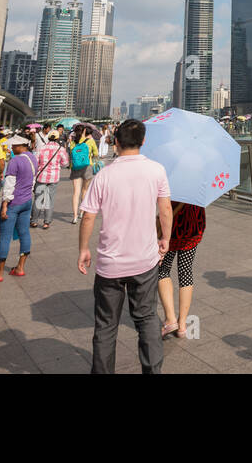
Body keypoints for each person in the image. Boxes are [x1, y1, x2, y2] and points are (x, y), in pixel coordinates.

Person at [78, 119, 170, 375]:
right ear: (143, 141)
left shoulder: (104, 174)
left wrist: (83, 248)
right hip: (145, 259)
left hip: (110, 264)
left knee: (106, 326)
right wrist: (166, 239)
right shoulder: (156, 170)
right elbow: (164, 209)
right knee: (147, 318)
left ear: (116, 142)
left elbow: (88, 216)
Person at [0, 137, 36, 282]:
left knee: (5, 238)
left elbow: (9, 184)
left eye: (13, 146)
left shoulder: (15, 161)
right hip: (27, 200)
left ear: (20, 146)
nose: (12, 149)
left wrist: (4, 205)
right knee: (24, 233)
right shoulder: (33, 158)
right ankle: (20, 267)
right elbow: (33, 180)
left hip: (14, 203)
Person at [158, 201, 205, 339]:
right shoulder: (199, 180)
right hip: (194, 223)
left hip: (172, 224)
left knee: (162, 269)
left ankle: (170, 319)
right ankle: (182, 324)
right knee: (185, 270)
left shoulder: (170, 180)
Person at [31, 126, 68, 230]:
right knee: (50, 200)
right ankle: (46, 222)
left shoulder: (41, 148)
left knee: (39, 198)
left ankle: (34, 221)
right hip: (53, 177)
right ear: (57, 138)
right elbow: (65, 163)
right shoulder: (61, 149)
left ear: (48, 138)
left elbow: (35, 162)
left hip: (41, 177)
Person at [68, 126, 95, 224]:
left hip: (75, 168)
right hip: (87, 167)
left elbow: (71, 154)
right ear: (84, 131)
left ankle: (74, 217)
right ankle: (82, 212)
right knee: (85, 190)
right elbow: (96, 153)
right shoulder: (90, 141)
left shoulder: (72, 143)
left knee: (76, 192)